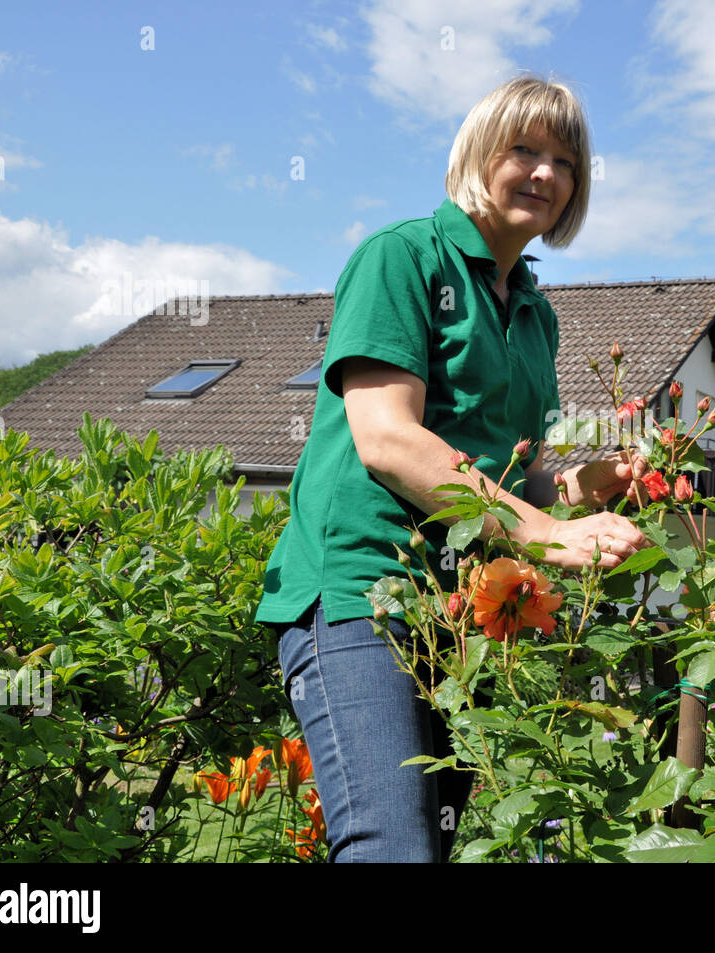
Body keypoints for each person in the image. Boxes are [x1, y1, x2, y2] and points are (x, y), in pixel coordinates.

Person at [254, 75, 648, 862]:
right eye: (525, 150)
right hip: (360, 594)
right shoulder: (400, 258)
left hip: (464, 620)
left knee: (434, 847)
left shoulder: (537, 315)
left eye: (565, 161)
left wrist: (579, 494)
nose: (545, 173)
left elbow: (519, 483)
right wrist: (543, 532)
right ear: (477, 156)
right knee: (392, 846)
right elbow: (389, 440)